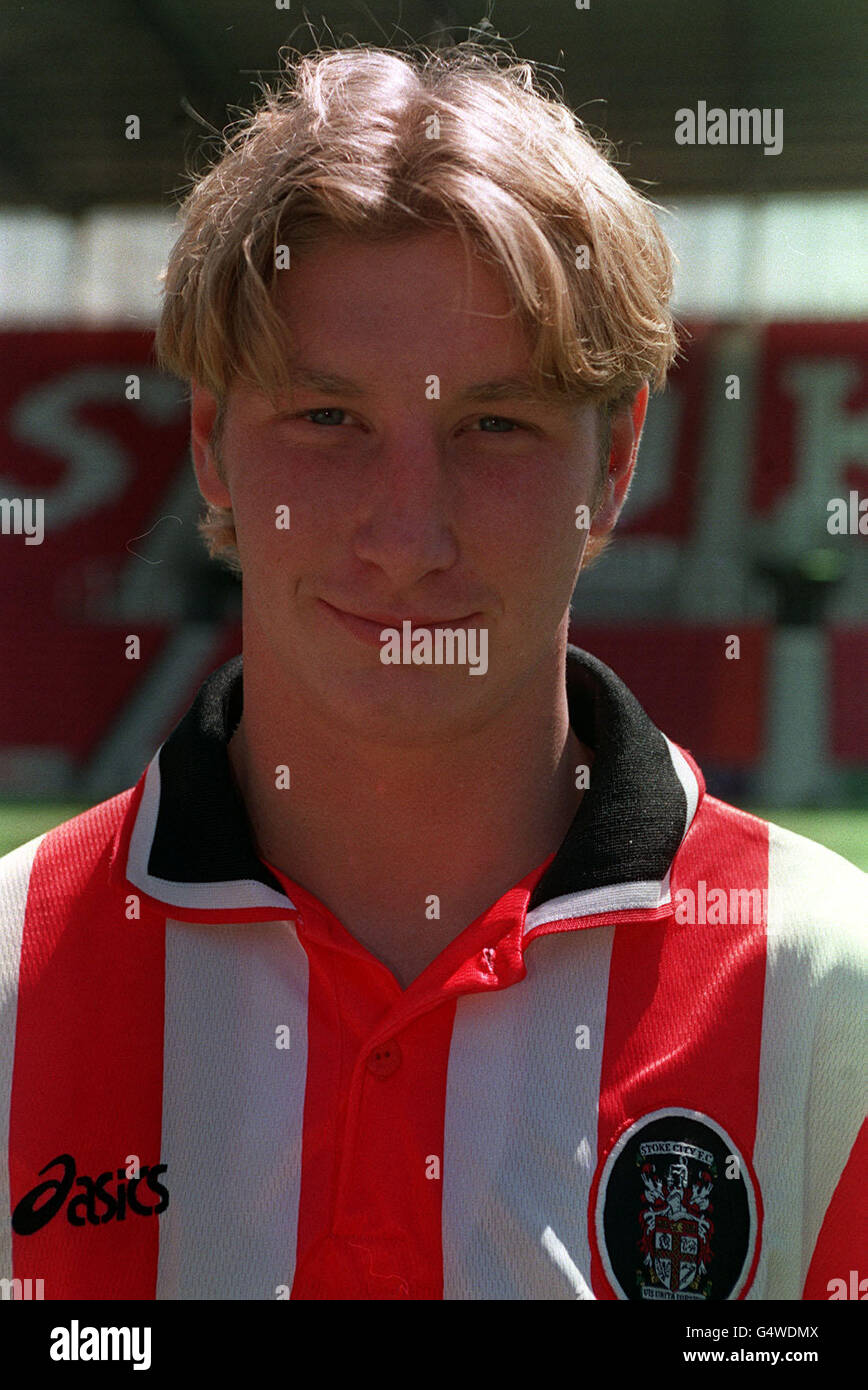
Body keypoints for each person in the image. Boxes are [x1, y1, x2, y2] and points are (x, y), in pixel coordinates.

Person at [0, 43, 864, 1302]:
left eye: (494, 425)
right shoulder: (10, 984)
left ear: (614, 463)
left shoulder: (827, 993)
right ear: (213, 448)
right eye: (328, 420)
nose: (408, 539)